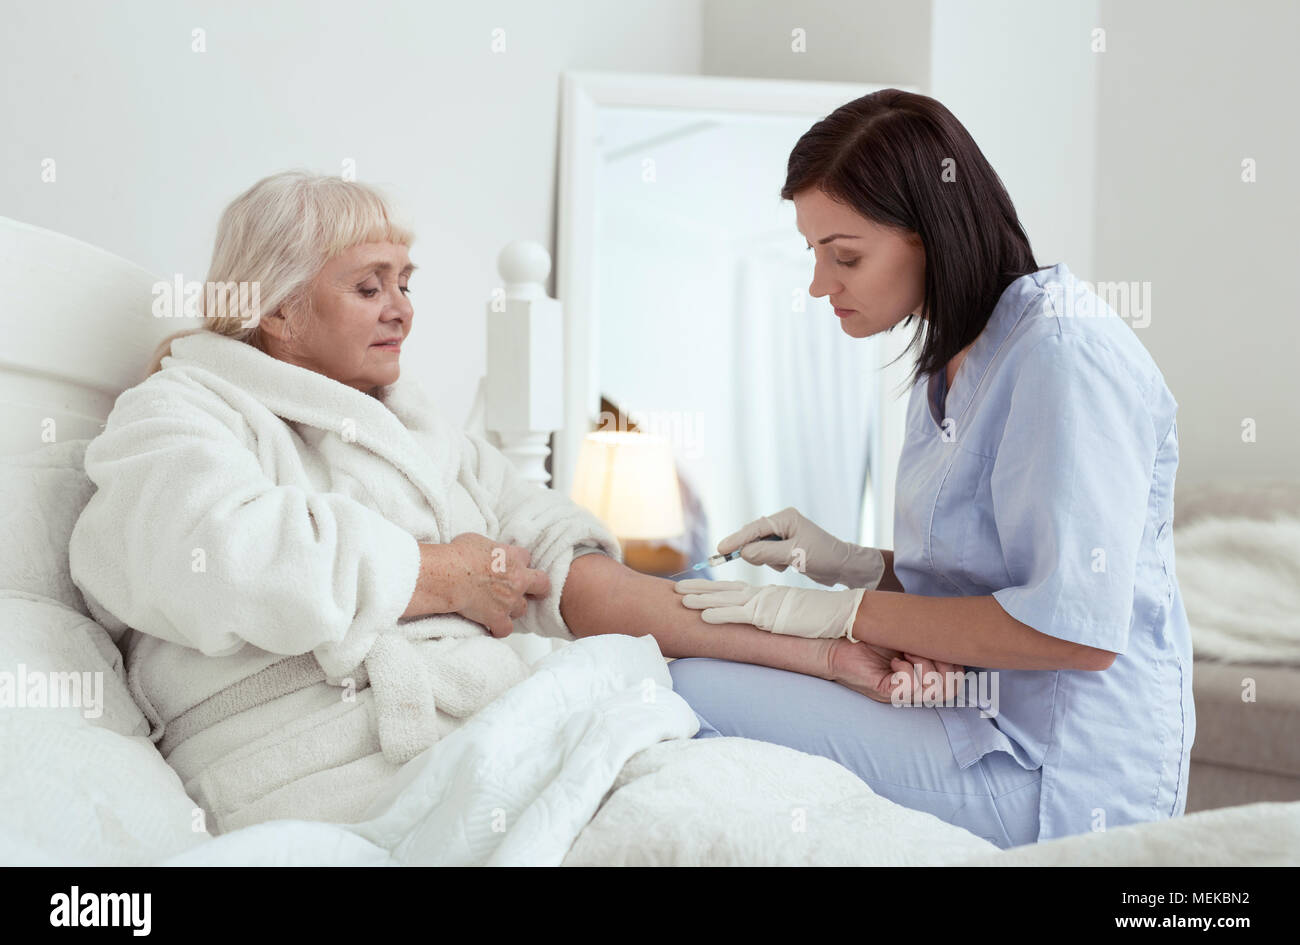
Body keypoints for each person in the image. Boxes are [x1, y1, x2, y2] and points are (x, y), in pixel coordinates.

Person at [69, 170, 947, 834]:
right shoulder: (182, 412)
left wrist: (826, 648)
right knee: (680, 834)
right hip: (314, 763)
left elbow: (569, 572)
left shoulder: (424, 436)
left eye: (406, 283)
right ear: (279, 311)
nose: (402, 311)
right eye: (369, 286)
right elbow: (217, 557)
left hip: (482, 723)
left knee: (768, 809)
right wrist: (444, 575)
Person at [668, 89, 1195, 849]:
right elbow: (971, 587)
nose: (820, 285)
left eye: (844, 255)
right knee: (686, 641)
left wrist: (837, 617)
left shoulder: (1061, 355)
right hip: (962, 702)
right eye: (813, 253)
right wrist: (850, 566)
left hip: (1056, 767)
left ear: (931, 236)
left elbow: (1075, 633)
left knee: (693, 690)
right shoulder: (950, 361)